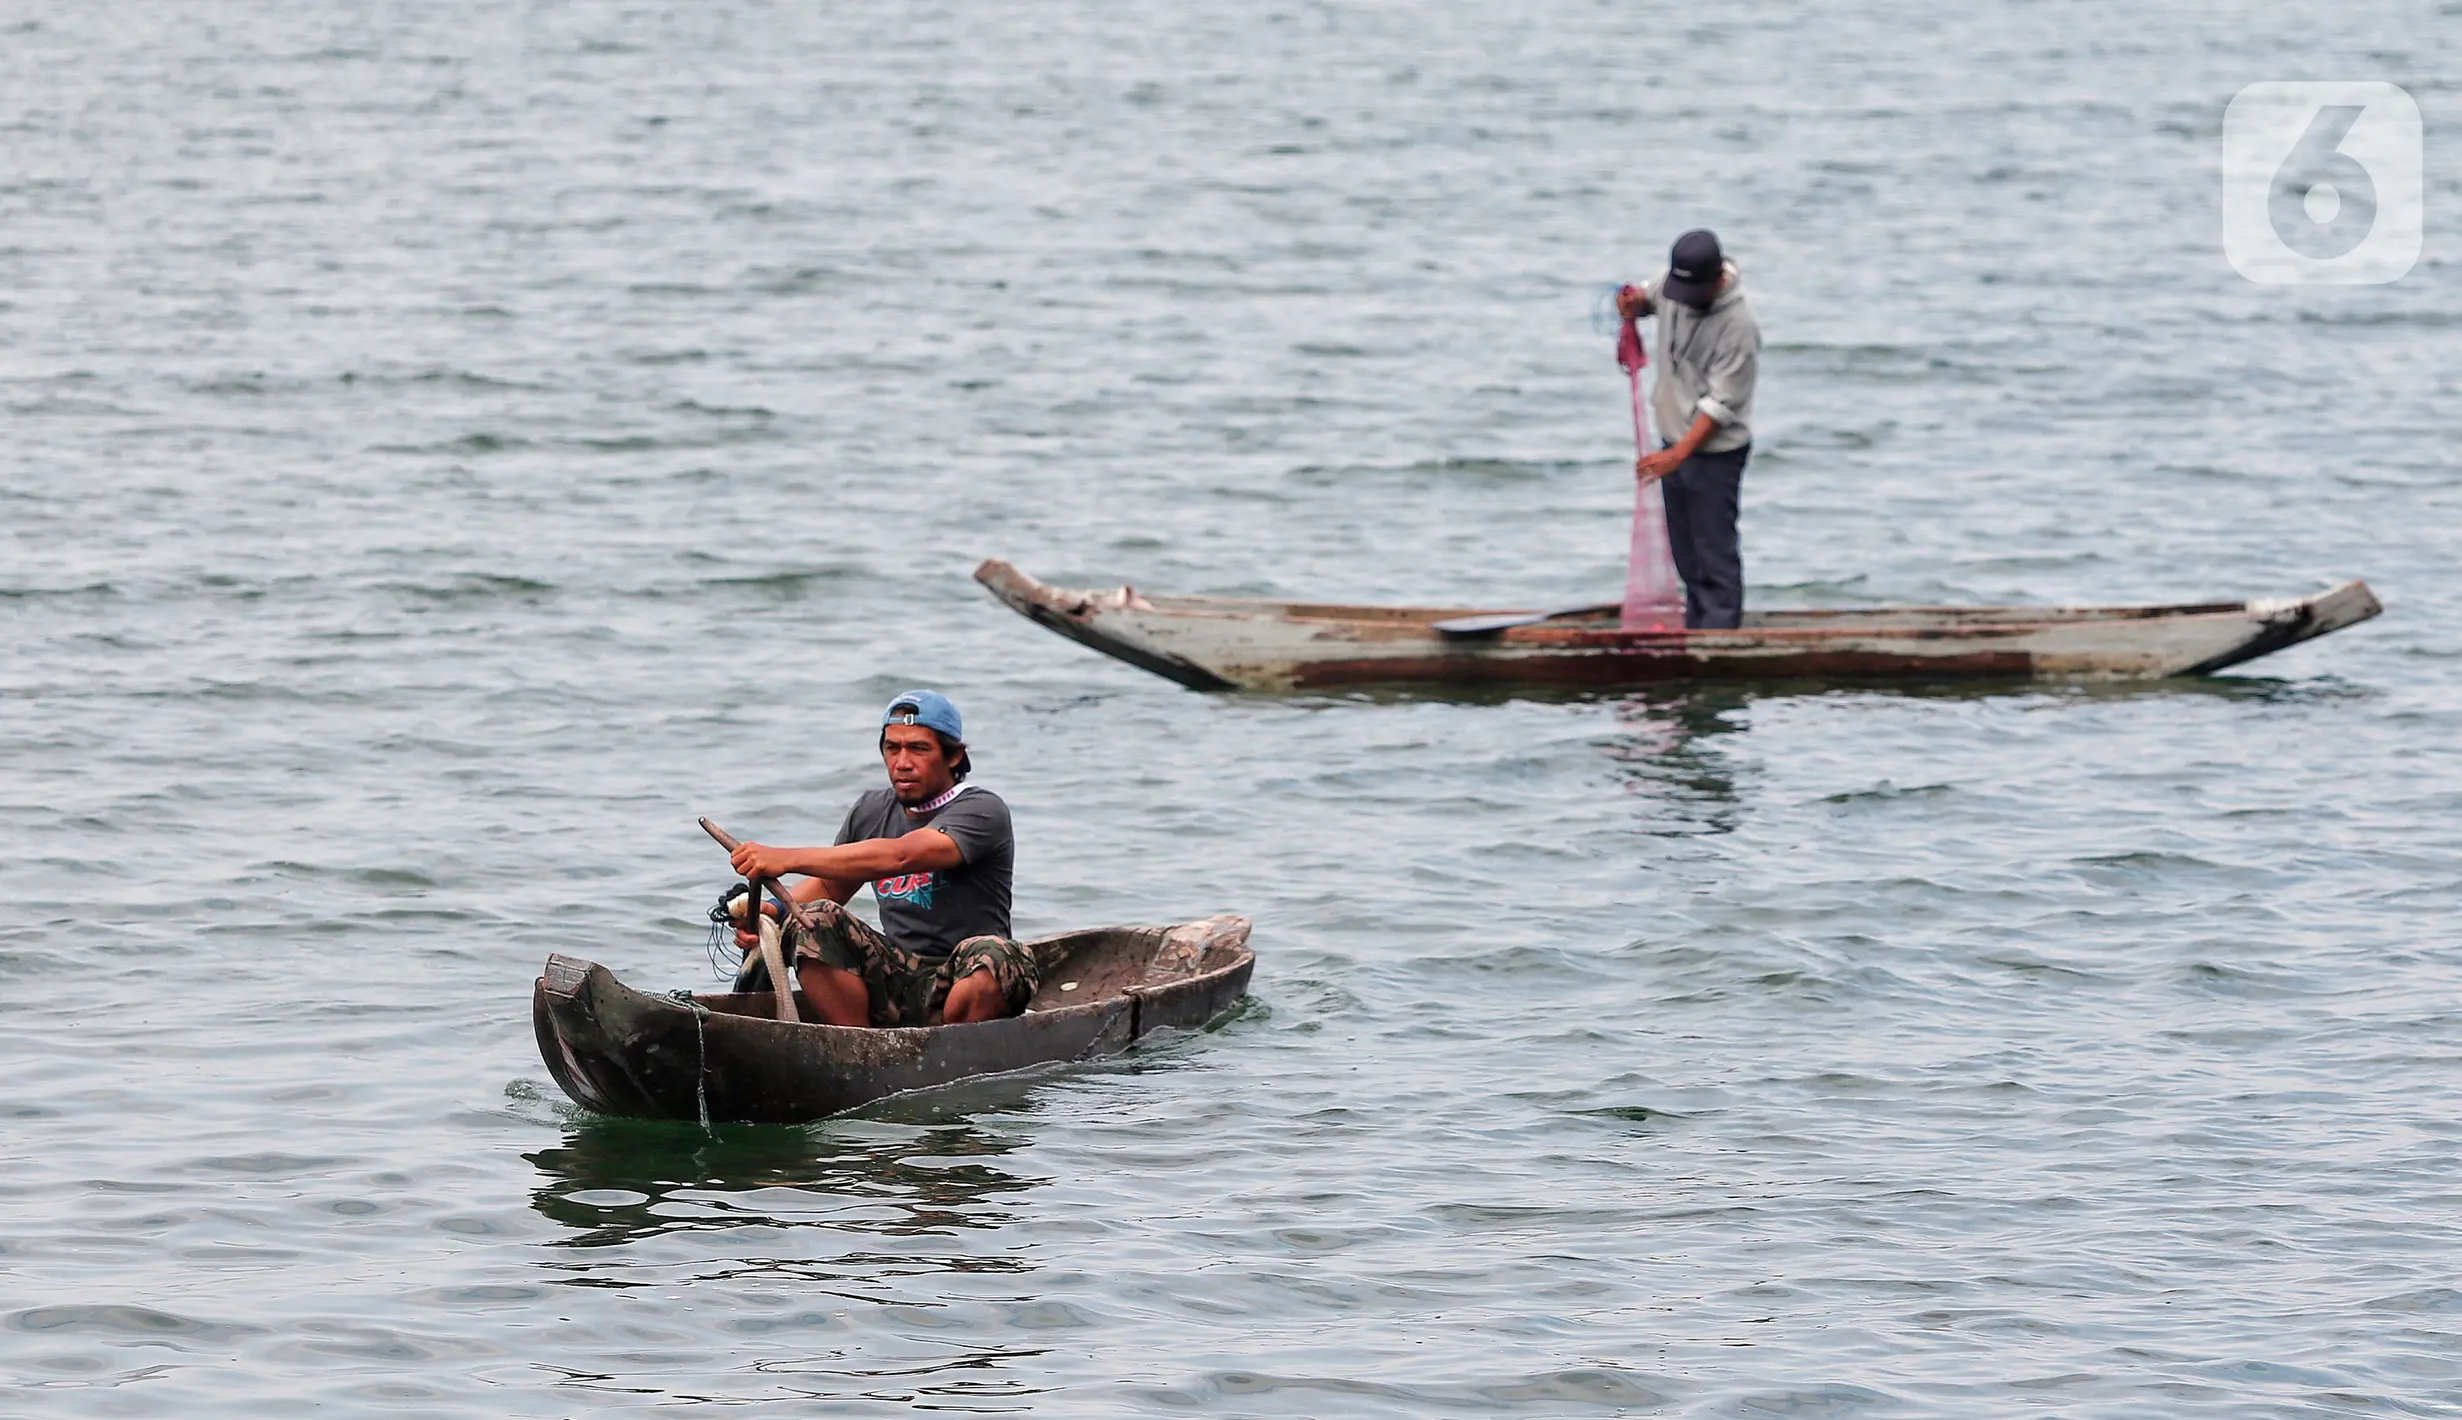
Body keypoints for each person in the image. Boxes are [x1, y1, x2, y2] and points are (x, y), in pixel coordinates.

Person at [725, 691, 1036, 1028]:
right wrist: (772, 912)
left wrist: (784, 858)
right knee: (813, 920)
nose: (902, 762)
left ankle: (955, 1042)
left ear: (953, 756)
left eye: (919, 748)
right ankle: (858, 1048)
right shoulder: (870, 810)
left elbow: (901, 855)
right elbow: (830, 886)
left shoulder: (982, 810)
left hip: (967, 972)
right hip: (899, 977)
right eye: (893, 748)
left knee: (998, 954)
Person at [1616, 228, 1762, 630]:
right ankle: (1697, 625)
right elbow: (1650, 298)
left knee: (1713, 548)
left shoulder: (1739, 326)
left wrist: (1678, 454)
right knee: (1684, 549)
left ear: (1717, 281)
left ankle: (1718, 639)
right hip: (1673, 440)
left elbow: (1722, 405)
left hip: (1715, 452)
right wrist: (1633, 303)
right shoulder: (1677, 284)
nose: (1683, 300)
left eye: (1693, 293)